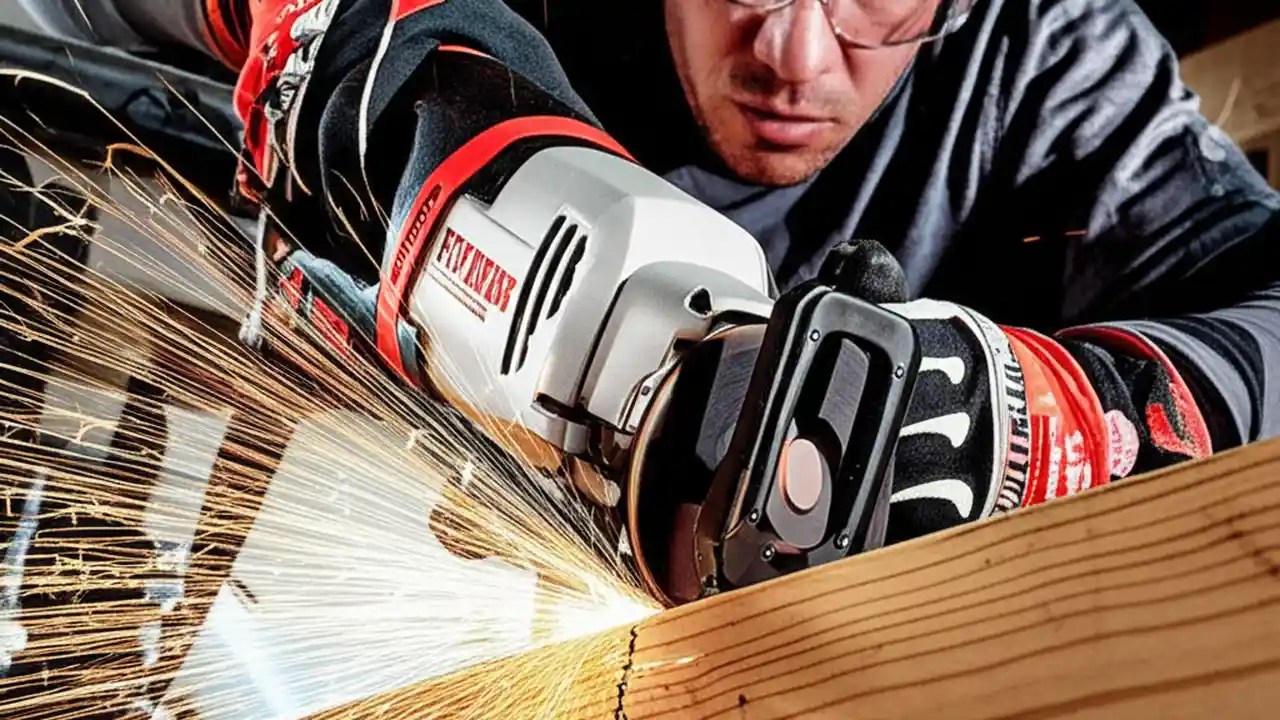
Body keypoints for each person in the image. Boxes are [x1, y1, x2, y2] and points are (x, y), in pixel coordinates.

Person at [17, 0, 1280, 546]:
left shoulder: (1048, 63)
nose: (797, 54)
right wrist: (375, 66)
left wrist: (1069, 416)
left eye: (874, 6)